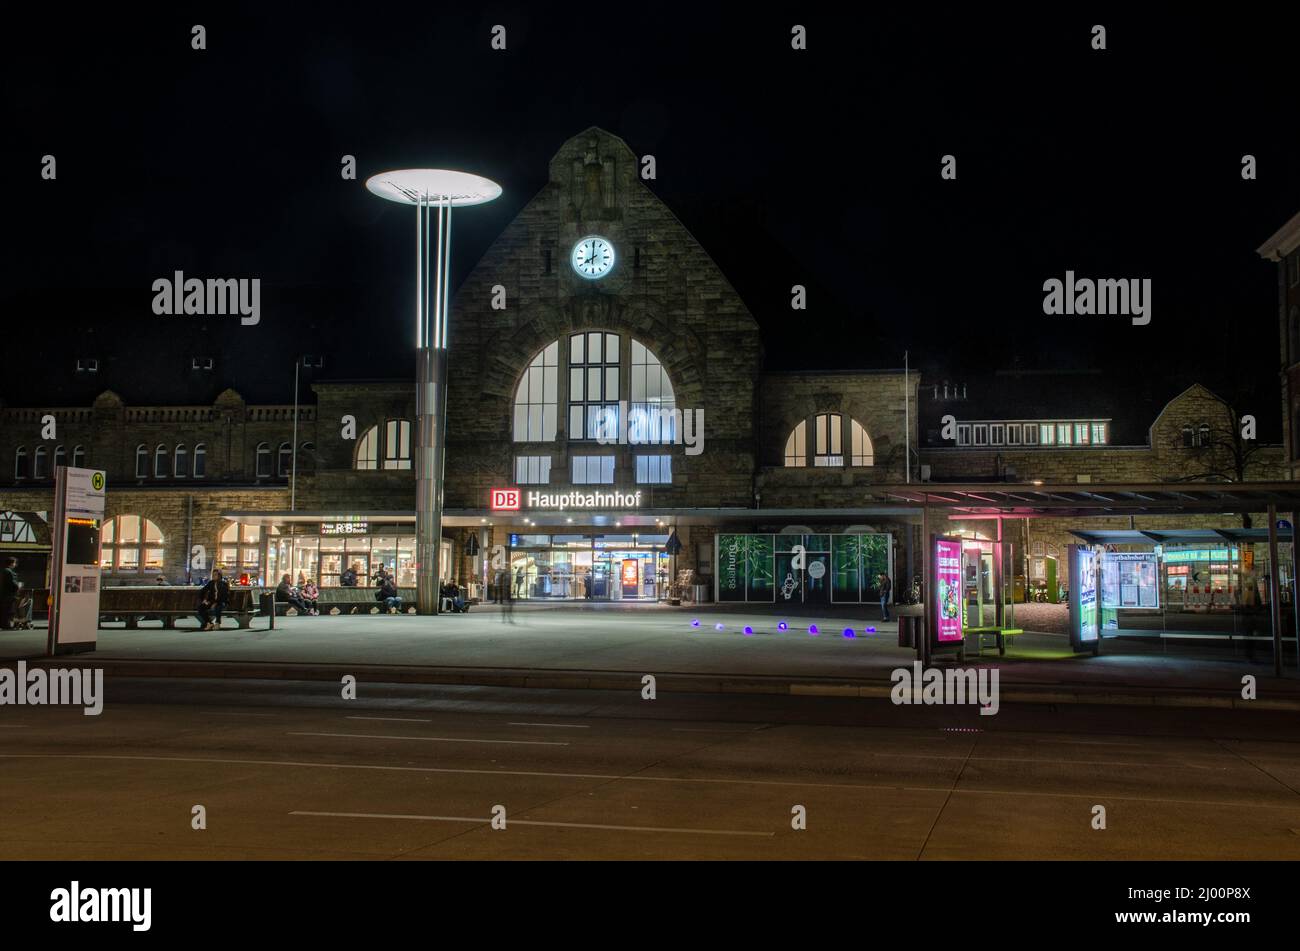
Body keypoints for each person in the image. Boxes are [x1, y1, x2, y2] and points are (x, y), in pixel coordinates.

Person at [0, 557, 22, 631]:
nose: (15, 564)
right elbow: (11, 583)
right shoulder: (8, 571)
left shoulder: (5, 571)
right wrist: (18, 585)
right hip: (9, 595)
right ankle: (7, 625)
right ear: (11, 563)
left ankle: (4, 625)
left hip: (6, 595)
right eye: (15, 562)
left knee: (6, 611)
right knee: (8, 611)